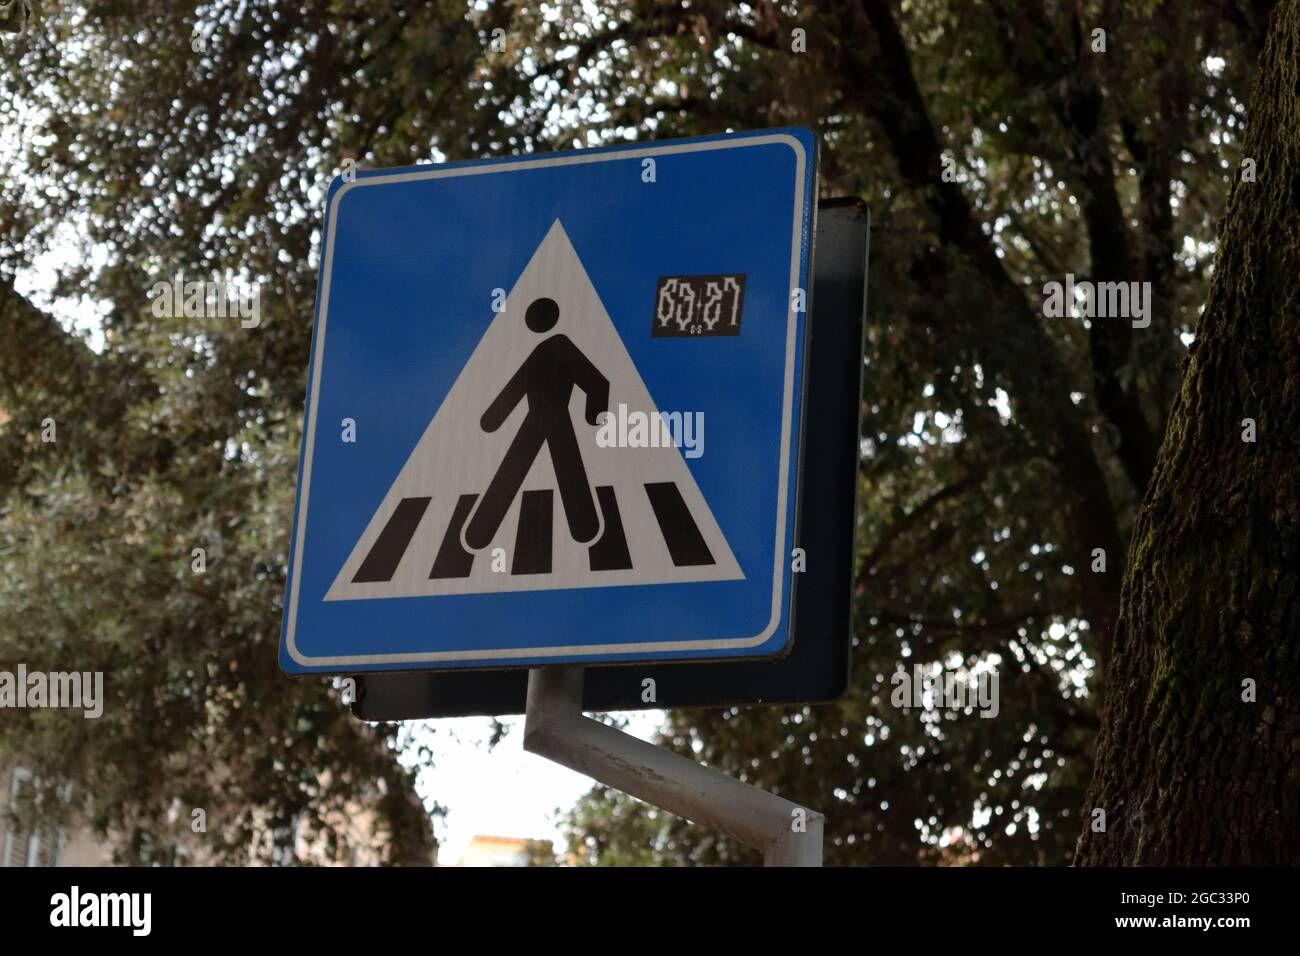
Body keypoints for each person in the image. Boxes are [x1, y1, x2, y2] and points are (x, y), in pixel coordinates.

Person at [464, 297, 609, 550]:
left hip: (550, 416)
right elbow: (518, 385)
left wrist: (594, 412)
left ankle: (585, 528)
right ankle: (585, 528)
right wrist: (492, 419)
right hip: (541, 418)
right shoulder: (544, 349)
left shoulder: (558, 346)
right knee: (549, 470)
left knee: (544, 470)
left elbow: (595, 380)